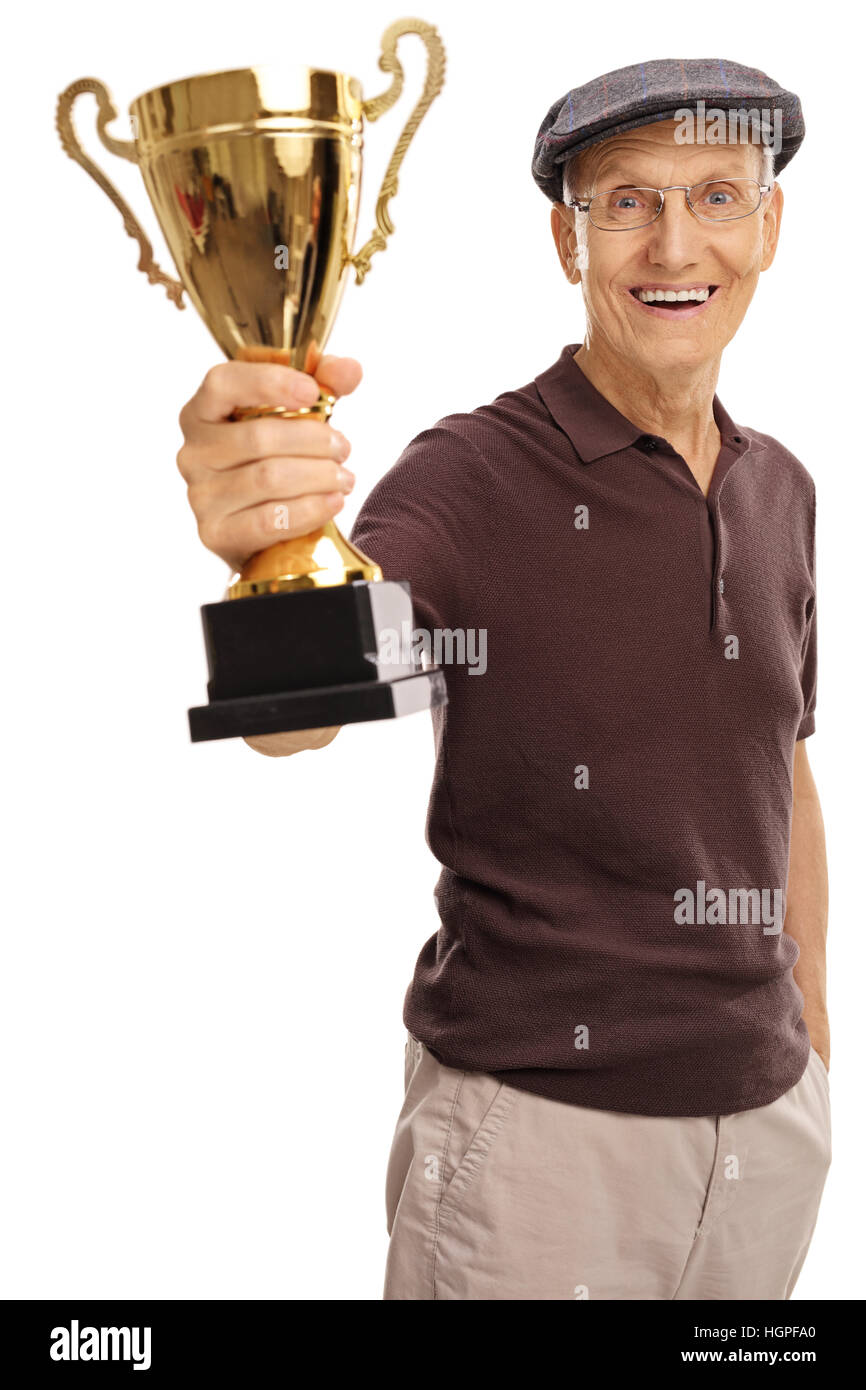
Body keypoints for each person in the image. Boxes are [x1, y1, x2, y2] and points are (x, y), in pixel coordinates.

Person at [176, 58, 830, 1300]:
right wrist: (263, 538)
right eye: (626, 201)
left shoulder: (781, 488)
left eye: (714, 195)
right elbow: (300, 721)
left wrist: (811, 1033)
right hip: (537, 1156)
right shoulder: (468, 475)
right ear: (563, 237)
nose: (673, 243)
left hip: (766, 1138)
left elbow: (781, 762)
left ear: (769, 226)